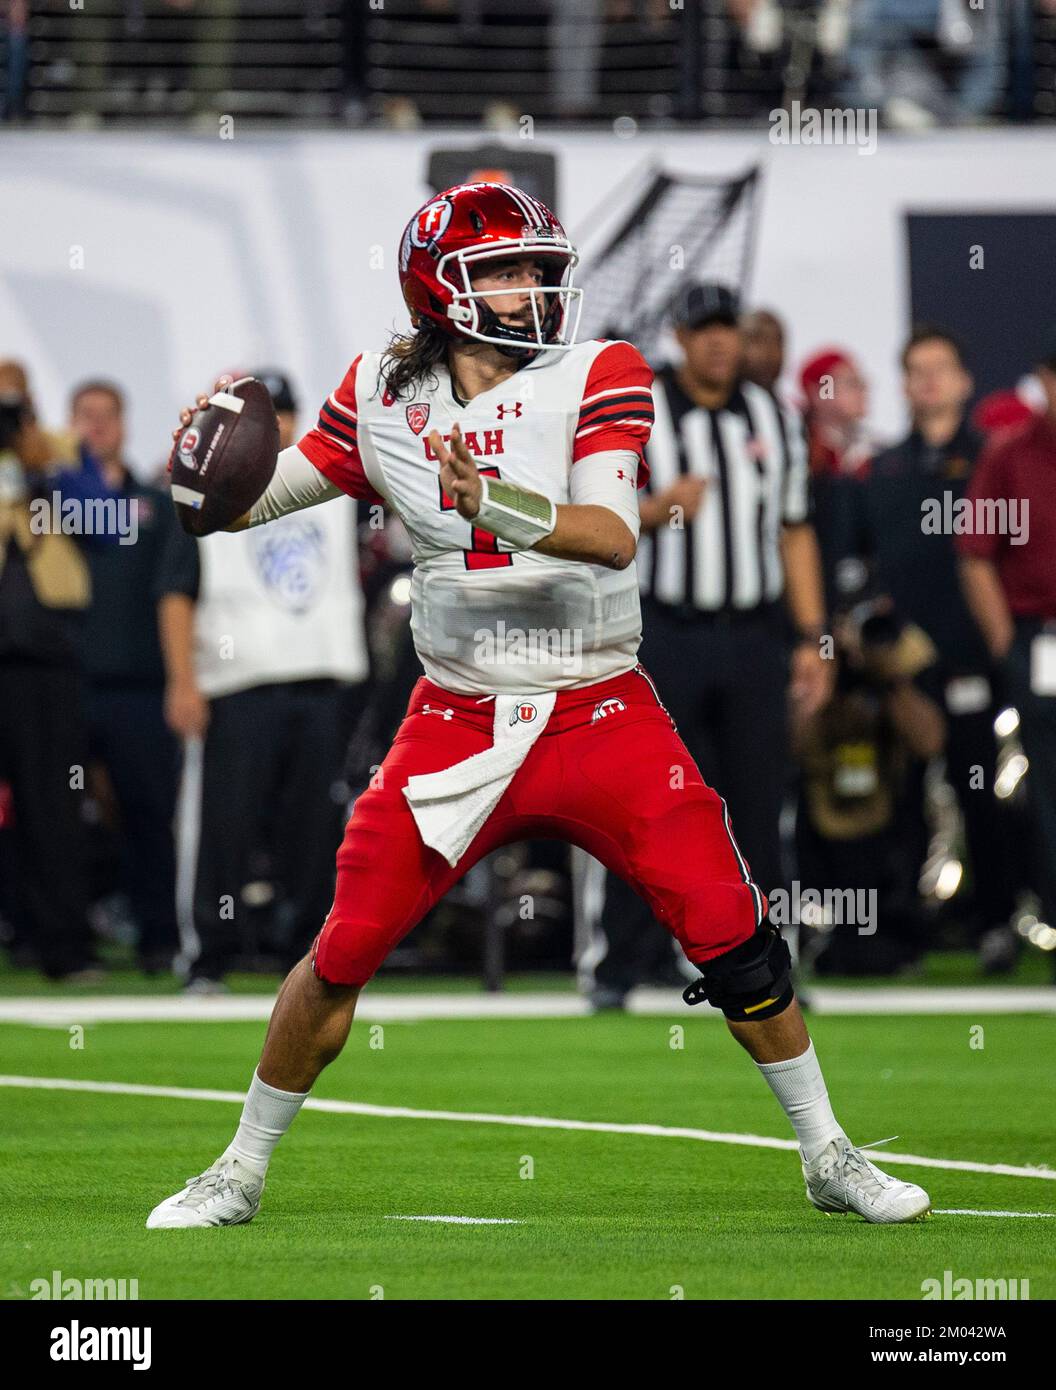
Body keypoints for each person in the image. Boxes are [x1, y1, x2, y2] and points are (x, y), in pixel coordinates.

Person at [146, 182, 929, 1229]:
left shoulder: (599, 369)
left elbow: (611, 533)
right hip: (457, 716)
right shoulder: (383, 388)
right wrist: (203, 484)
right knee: (343, 948)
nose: (532, 288)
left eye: (536, 267)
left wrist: (491, 501)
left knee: (733, 927)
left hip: (596, 704)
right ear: (442, 289)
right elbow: (264, 498)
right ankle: (238, 1170)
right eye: (506, 271)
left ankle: (830, 1152)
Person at [591, 282, 833, 1011]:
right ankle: (620, 966)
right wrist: (658, 511)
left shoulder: (773, 415)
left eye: (728, 328)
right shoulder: (639, 412)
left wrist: (811, 638)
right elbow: (591, 518)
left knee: (758, 804)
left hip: (754, 631)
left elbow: (795, 530)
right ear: (678, 337)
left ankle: (763, 968)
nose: (719, 343)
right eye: (704, 330)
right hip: (668, 631)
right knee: (648, 801)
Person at [158, 369, 370, 991]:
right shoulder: (208, 490)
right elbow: (175, 593)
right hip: (239, 683)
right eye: (261, 415)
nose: (272, 425)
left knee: (315, 835)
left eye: (281, 411)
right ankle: (207, 955)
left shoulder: (337, 488)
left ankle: (306, 958)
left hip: (321, 682)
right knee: (223, 827)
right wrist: (183, 682)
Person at [853, 327, 1019, 962]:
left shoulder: (993, 458)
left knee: (982, 791)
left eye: (940, 368)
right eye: (915, 370)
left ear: (964, 379)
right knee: (899, 795)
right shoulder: (882, 471)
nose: (928, 381)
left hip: (975, 653)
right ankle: (903, 923)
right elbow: (862, 566)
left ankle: (995, 918)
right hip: (903, 665)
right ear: (902, 383)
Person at [69, 379, 182, 973]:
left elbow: (173, 592)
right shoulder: (51, 503)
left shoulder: (156, 503)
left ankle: (159, 938)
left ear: (124, 423)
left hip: (139, 686)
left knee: (147, 813)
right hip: (67, 684)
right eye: (84, 416)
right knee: (57, 814)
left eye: (106, 415)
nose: (96, 427)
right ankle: (60, 942)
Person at [0, 360, 102, 979]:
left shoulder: (64, 450)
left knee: (52, 803)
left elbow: (107, 524)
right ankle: (20, 931)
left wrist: (46, 468)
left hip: (47, 655)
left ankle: (63, 943)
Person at [958, 338, 1056, 957]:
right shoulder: (1009, 455)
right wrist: (1003, 640)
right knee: (1048, 779)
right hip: (1040, 635)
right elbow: (975, 554)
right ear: (1044, 380)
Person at [740, 308, 786, 393]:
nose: (771, 353)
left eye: (777, 343)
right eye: (759, 341)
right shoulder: (720, 400)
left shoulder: (788, 403)